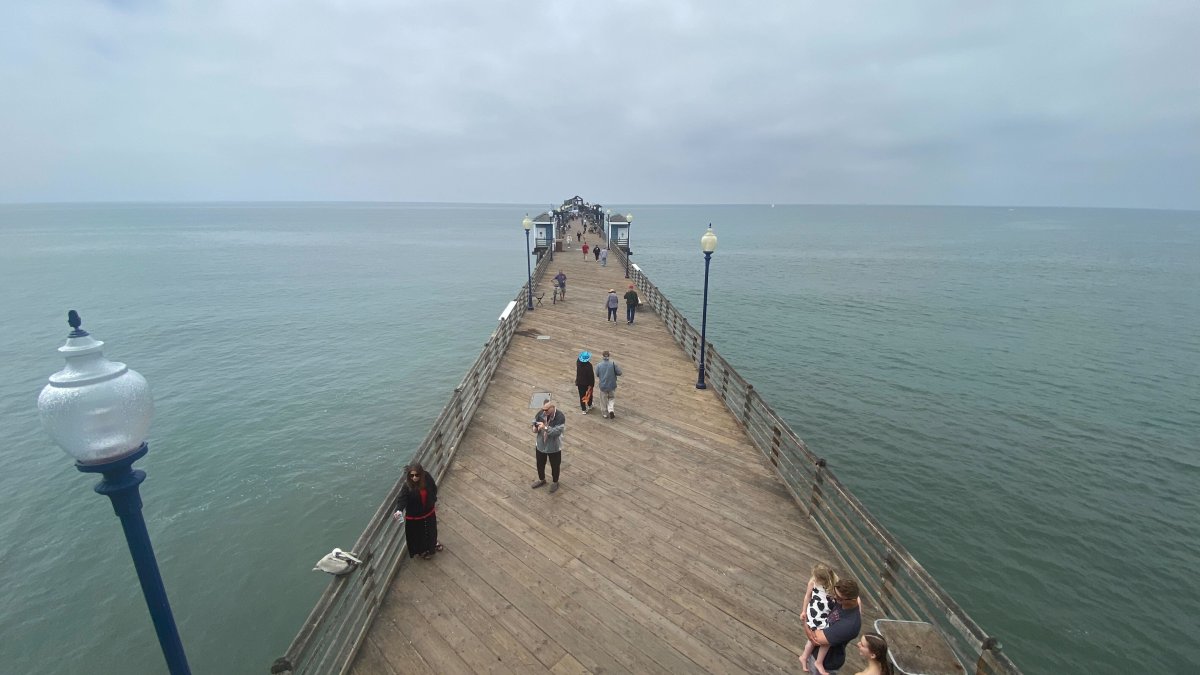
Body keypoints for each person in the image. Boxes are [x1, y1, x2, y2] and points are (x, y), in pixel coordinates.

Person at [802, 578, 862, 674]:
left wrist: (805, 620)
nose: (835, 597)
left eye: (839, 598)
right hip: (815, 652)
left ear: (852, 600)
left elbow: (816, 639)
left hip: (827, 664)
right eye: (835, 593)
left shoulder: (849, 624)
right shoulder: (848, 601)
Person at [391, 462, 442, 559]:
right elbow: (402, 499)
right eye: (412, 475)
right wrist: (399, 510)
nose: (414, 477)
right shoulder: (407, 486)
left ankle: (432, 544)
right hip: (416, 516)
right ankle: (422, 551)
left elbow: (433, 488)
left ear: (421, 474)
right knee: (419, 534)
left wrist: (433, 500)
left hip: (429, 511)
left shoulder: (426, 477)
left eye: (417, 475)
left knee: (432, 530)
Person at [800, 563, 839, 674]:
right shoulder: (813, 582)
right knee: (827, 640)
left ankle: (804, 656)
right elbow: (807, 596)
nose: (814, 579)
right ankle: (819, 662)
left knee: (814, 637)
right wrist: (803, 611)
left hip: (823, 614)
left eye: (816, 577)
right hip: (816, 614)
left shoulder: (833, 586)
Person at [530, 400, 566, 493]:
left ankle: (555, 482)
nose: (544, 412)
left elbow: (557, 432)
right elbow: (534, 421)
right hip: (541, 445)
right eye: (543, 409)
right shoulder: (541, 413)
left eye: (546, 410)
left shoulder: (560, 417)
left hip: (554, 447)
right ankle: (542, 480)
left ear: (552, 408)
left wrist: (545, 428)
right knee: (540, 464)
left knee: (555, 465)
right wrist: (534, 427)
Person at [594, 350, 623, 419]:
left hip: (603, 386)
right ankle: (611, 410)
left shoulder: (599, 365)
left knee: (603, 400)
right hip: (612, 385)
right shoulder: (613, 364)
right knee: (611, 398)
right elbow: (620, 373)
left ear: (602, 356)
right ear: (609, 356)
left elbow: (597, 374)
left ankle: (605, 413)